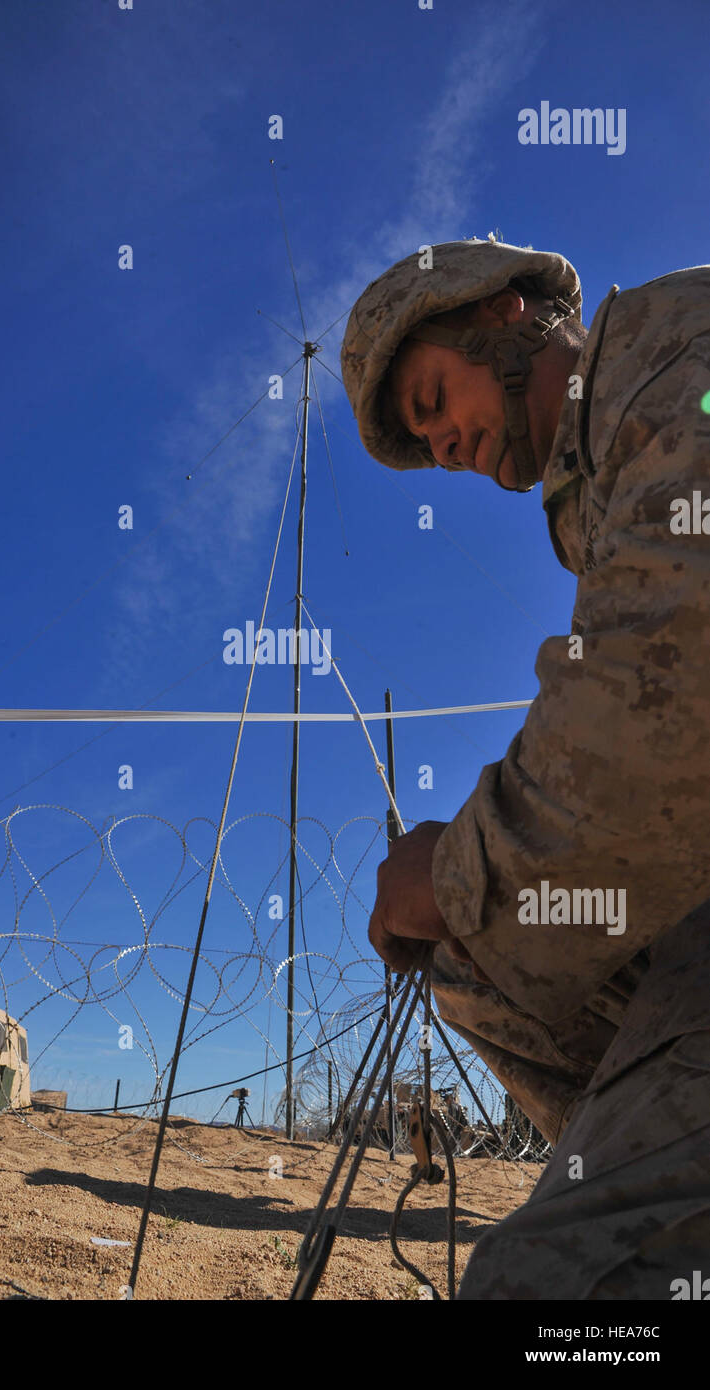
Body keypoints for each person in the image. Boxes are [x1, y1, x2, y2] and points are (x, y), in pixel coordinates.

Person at [341, 237, 710, 1299]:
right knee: (477, 957)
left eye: (431, 396)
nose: (446, 443)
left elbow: (670, 696)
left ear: (505, 315)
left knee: (544, 1292)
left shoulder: (668, 353)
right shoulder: (593, 494)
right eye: (426, 438)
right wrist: (464, 891)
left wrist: (457, 868)